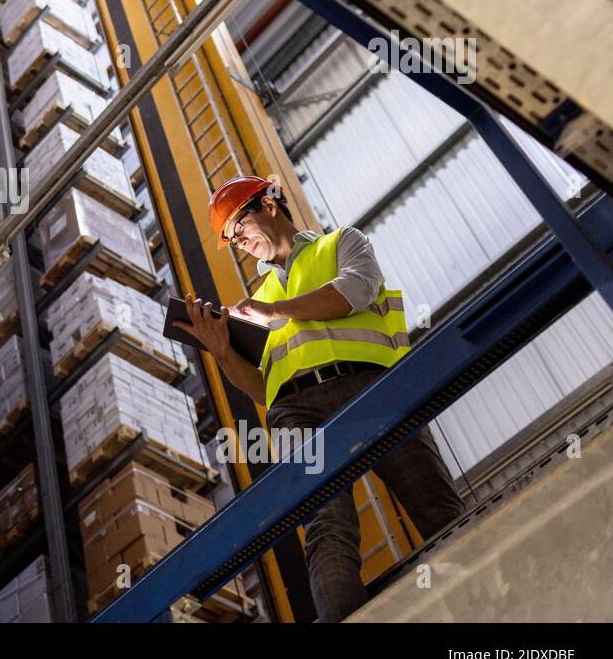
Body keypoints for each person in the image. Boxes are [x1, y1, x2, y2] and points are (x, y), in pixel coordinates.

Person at [176, 175, 466, 622]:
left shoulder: (340, 244)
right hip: (295, 413)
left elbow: (356, 289)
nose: (239, 242)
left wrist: (275, 313)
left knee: (435, 505)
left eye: (239, 227)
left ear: (269, 204)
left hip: (371, 390)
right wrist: (221, 351)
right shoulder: (259, 299)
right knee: (326, 528)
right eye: (231, 239)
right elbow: (264, 389)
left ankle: (483, 601)